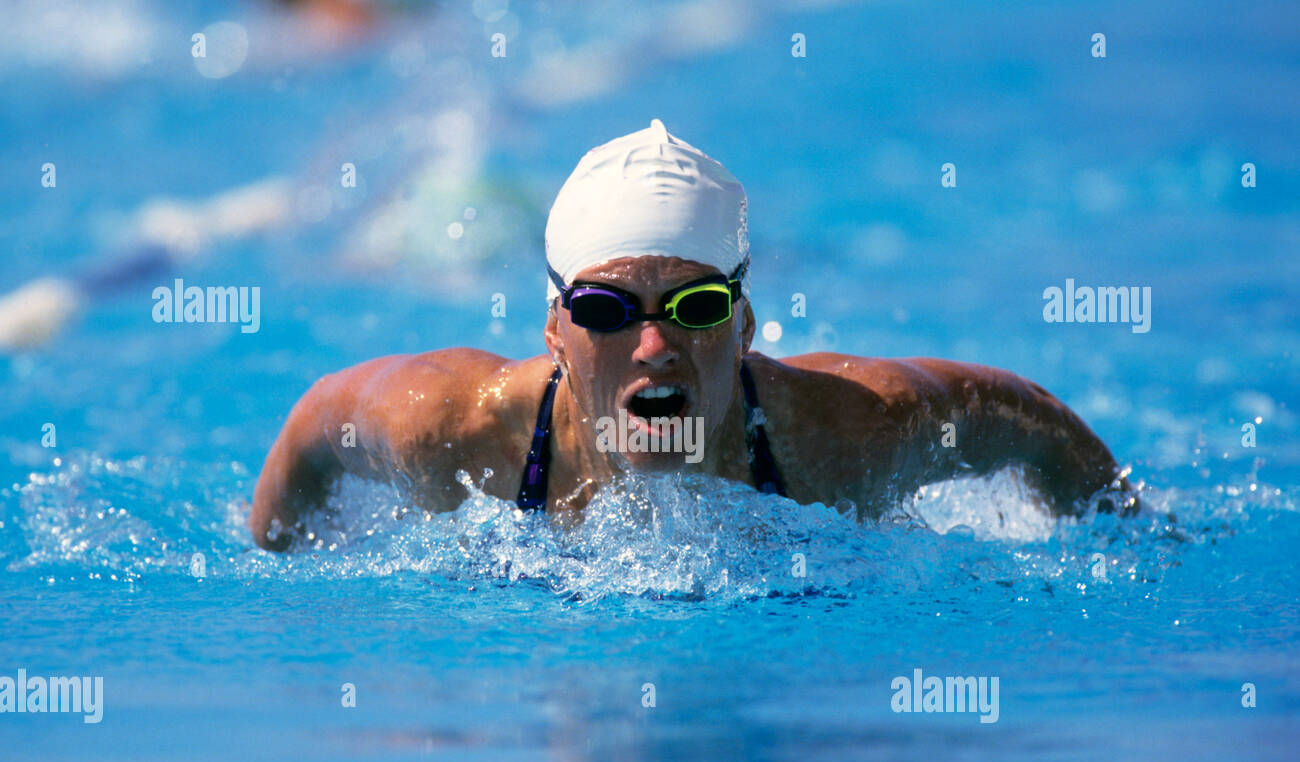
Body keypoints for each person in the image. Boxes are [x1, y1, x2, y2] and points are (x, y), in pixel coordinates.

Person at [250, 119, 1131, 551]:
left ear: (743, 324)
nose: (652, 345)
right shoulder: (457, 429)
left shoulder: (848, 435)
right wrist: (278, 570)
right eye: (606, 310)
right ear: (555, 329)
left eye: (695, 306)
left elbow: (1017, 414)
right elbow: (312, 429)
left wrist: (1133, 536)